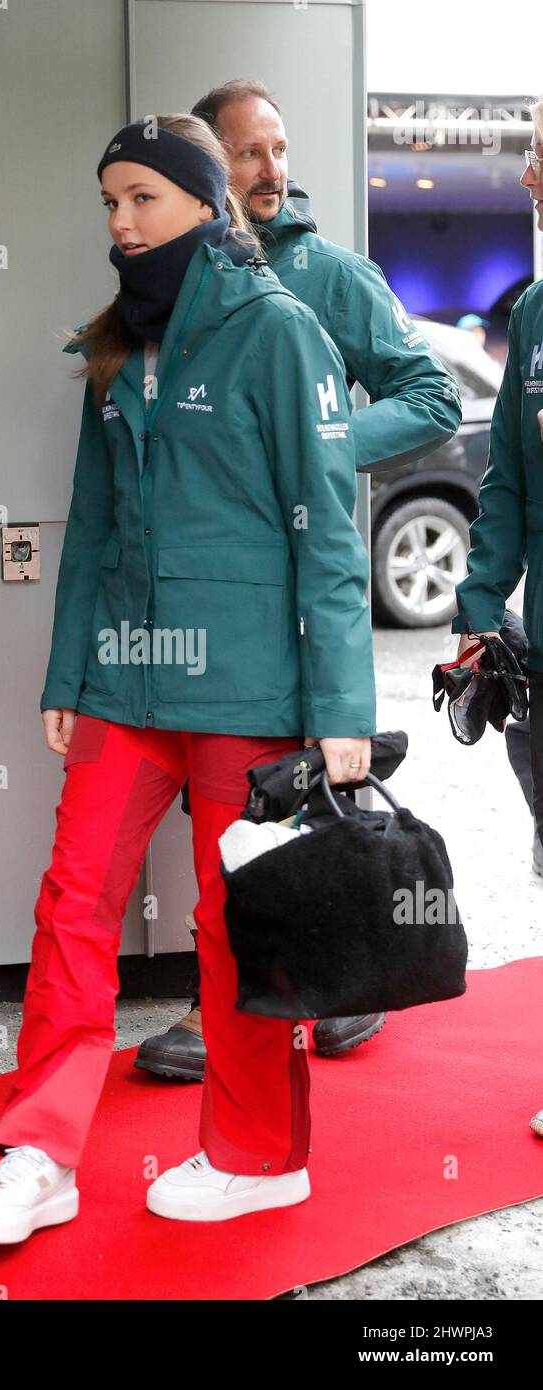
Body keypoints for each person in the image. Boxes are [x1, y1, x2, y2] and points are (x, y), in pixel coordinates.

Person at [0, 112, 376, 1244]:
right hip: (119, 690)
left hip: (244, 687)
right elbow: (91, 524)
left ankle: (256, 1157)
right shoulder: (115, 344)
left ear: (202, 203)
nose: (120, 222)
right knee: (72, 895)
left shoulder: (276, 333)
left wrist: (338, 707)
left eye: (141, 198)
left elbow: (327, 535)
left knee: (234, 918)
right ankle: (39, 1153)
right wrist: (67, 669)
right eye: (108, 202)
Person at [137, 77, 462, 1079]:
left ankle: (340, 982)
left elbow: (432, 396)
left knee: (313, 784)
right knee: (221, 798)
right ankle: (221, 994)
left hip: (306, 583)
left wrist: (317, 448)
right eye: (247, 153)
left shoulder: (332, 275)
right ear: (205, 175)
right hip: (205, 599)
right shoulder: (165, 281)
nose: (273, 169)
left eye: (279, 149)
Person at [447, 97, 543, 1139]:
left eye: (542, 159)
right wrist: (480, 604)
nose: (527, 178)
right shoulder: (535, 318)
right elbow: (508, 481)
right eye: (527, 158)